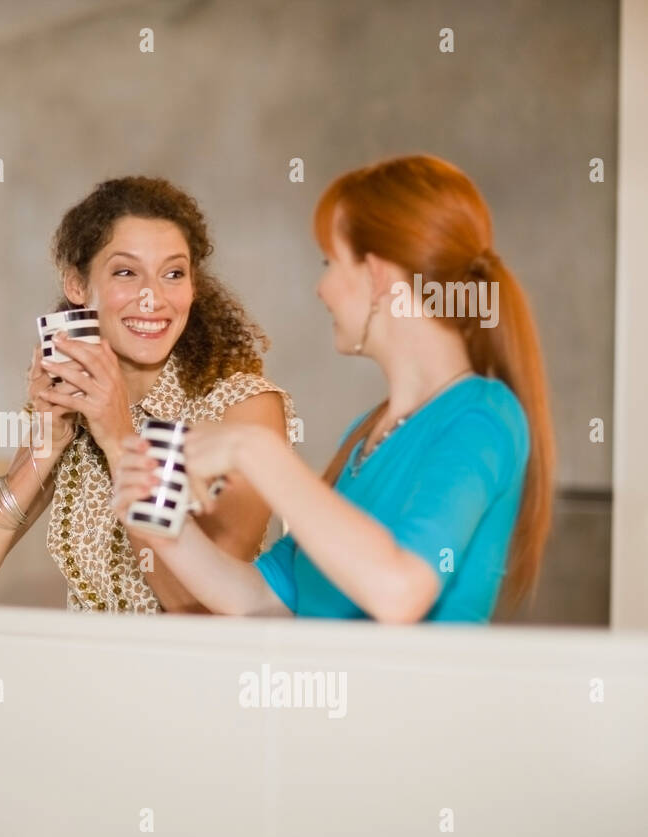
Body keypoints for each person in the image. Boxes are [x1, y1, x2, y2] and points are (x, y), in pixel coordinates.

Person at [110, 155, 555, 623]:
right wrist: (162, 527)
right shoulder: (364, 437)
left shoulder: (480, 417)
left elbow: (399, 591)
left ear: (377, 275)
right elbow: (258, 597)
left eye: (330, 261)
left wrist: (254, 450)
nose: (321, 287)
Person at [0, 176, 294, 612]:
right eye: (126, 273)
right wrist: (43, 448)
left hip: (193, 674)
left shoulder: (244, 408)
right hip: (88, 670)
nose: (153, 298)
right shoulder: (78, 401)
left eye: (173, 273)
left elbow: (201, 608)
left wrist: (120, 441)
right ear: (77, 286)